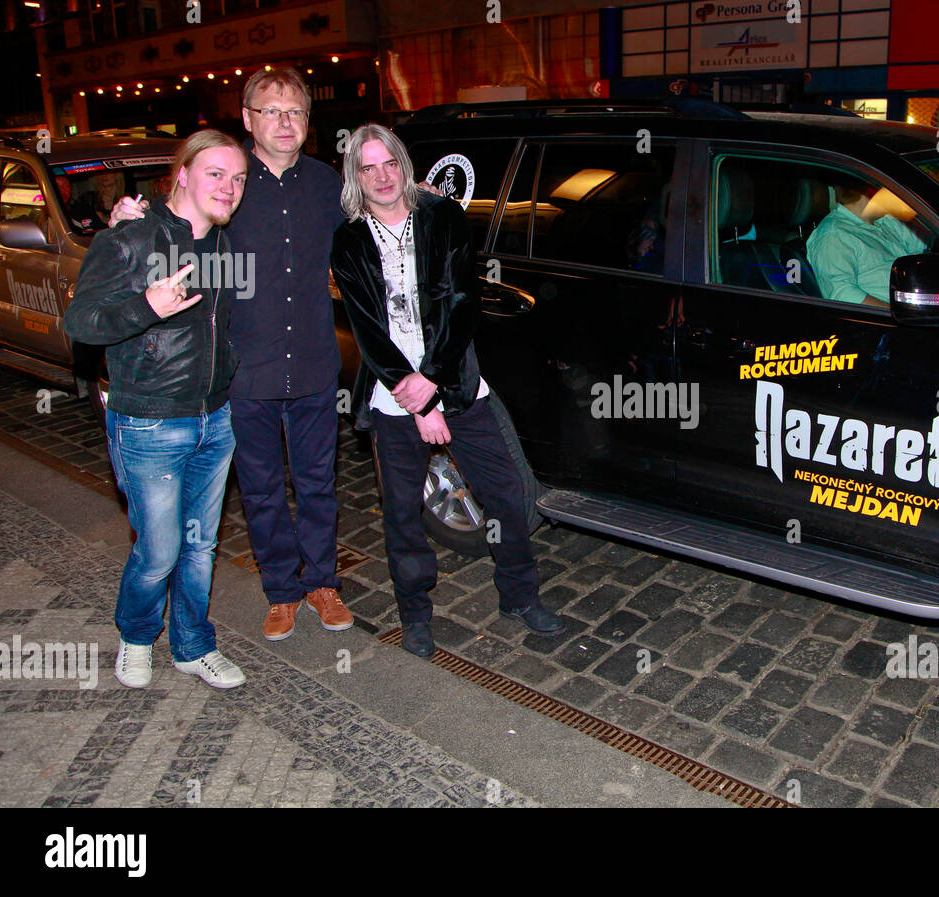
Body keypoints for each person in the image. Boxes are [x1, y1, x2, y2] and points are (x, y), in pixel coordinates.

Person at [110, 67, 353, 643]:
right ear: (248, 119)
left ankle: (323, 582)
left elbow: (382, 204)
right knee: (262, 488)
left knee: (319, 483)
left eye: (295, 111)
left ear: (307, 121)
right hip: (244, 371)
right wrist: (130, 218)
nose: (284, 123)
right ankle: (282, 590)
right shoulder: (230, 181)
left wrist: (426, 197)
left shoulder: (328, 184)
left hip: (316, 363)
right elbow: (176, 208)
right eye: (271, 112)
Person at [330, 124, 565, 657]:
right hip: (393, 393)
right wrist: (414, 396)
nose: (382, 176)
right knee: (402, 512)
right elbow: (367, 329)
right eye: (368, 167)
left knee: (506, 494)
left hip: (455, 380)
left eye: (389, 162)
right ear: (356, 177)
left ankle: (519, 597)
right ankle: (414, 612)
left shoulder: (442, 217)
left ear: (403, 164)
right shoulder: (348, 240)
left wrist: (432, 385)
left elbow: (463, 302)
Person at [64, 130, 249, 689]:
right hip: (149, 420)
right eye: (216, 173)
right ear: (183, 175)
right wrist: (148, 304)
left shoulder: (225, 246)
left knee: (200, 545)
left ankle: (193, 644)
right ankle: (137, 635)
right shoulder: (130, 240)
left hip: (216, 419)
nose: (229, 187)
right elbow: (80, 323)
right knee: (160, 549)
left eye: (238, 178)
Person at [806, 182, 926, 306]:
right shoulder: (834, 235)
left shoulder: (885, 221)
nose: (897, 196)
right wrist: (895, 313)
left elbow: (926, 246)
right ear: (871, 191)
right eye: (889, 189)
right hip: (889, 318)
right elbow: (841, 294)